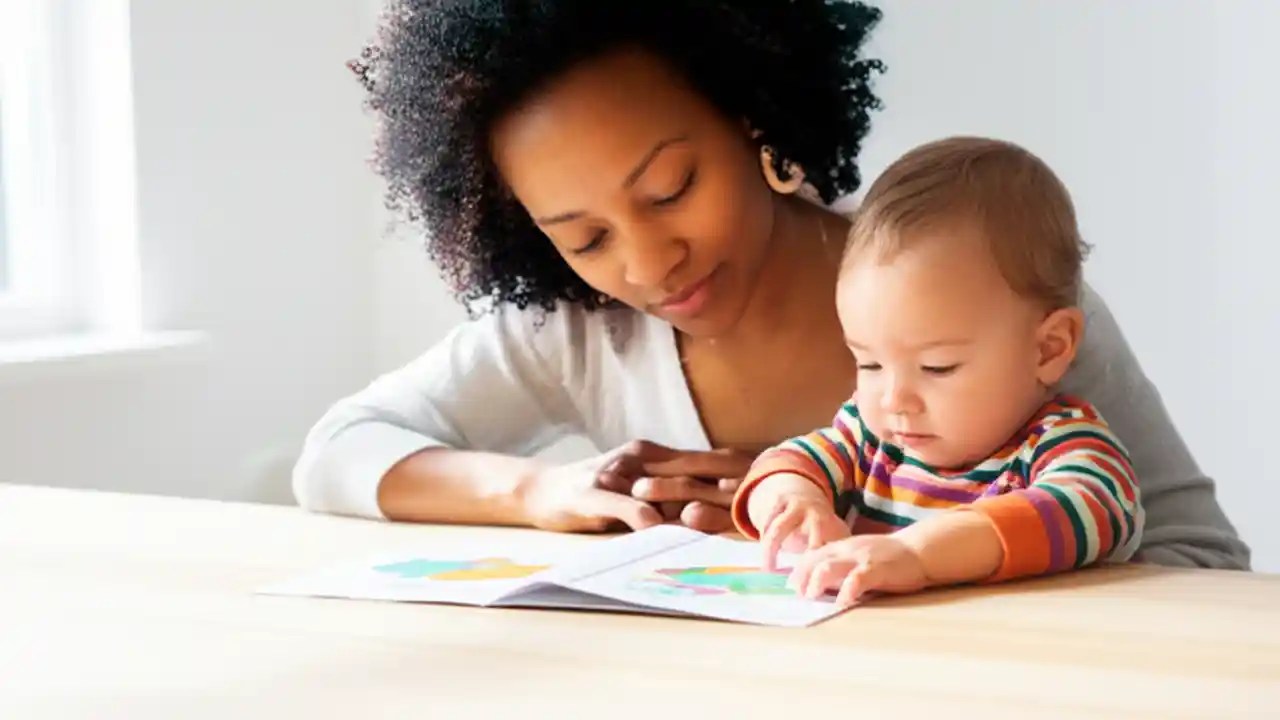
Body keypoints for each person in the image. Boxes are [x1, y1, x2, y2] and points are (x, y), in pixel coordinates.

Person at [294, 0, 1248, 570]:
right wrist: (539, 490)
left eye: (672, 190)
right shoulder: (579, 335)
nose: (647, 265)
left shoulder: (982, 292)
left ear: (752, 116)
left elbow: (1200, 560)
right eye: (583, 237)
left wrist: (915, 547)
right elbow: (337, 451)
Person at [733, 137, 1143, 606]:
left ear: (1048, 349)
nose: (894, 399)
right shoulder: (871, 442)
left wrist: (917, 554)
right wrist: (794, 502)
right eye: (869, 363)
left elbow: (1080, 510)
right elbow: (781, 463)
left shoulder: (1064, 447)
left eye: (937, 367)